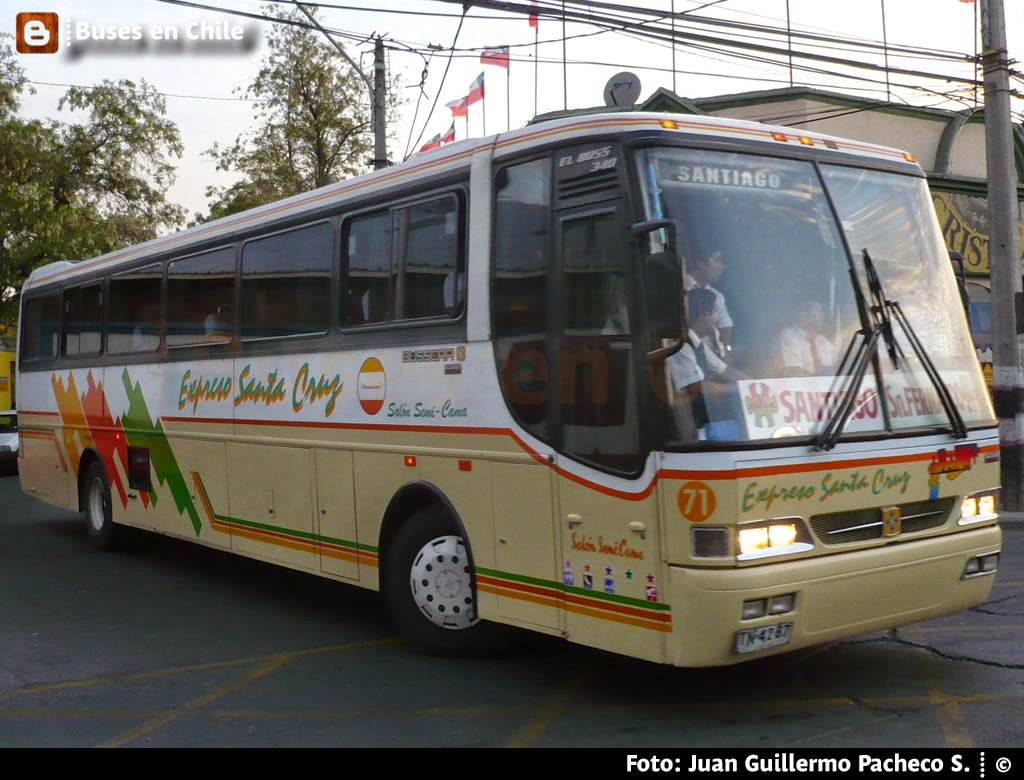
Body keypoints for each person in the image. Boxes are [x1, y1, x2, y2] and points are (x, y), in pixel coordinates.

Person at [666, 288, 747, 433]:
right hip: (688, 424)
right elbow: (696, 387)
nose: (716, 319)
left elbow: (725, 370)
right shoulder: (681, 346)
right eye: (715, 313)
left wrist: (754, 384)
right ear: (705, 315)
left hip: (703, 417)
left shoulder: (699, 344)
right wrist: (738, 389)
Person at [686, 248, 732, 354]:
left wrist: (726, 350)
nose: (722, 267)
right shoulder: (680, 291)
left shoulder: (717, 296)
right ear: (701, 263)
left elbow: (725, 326)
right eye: (717, 260)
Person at [777, 300, 837, 375]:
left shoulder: (822, 341)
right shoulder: (788, 336)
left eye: (821, 312)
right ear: (803, 315)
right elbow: (793, 371)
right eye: (817, 311)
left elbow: (838, 365)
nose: (822, 316)